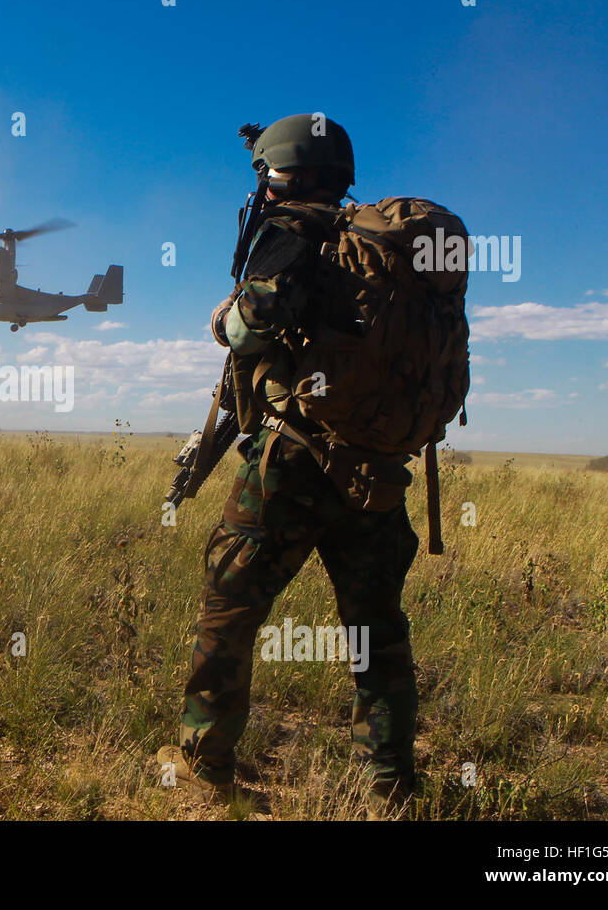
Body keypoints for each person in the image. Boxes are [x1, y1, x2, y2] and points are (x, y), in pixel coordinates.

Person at [158, 114, 422, 816]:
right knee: (376, 628)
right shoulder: (373, 251)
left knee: (230, 608)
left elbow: (254, 320)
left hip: (293, 459)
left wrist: (223, 319)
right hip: (375, 471)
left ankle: (206, 762)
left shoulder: (294, 233)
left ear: (277, 173)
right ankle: (391, 782)